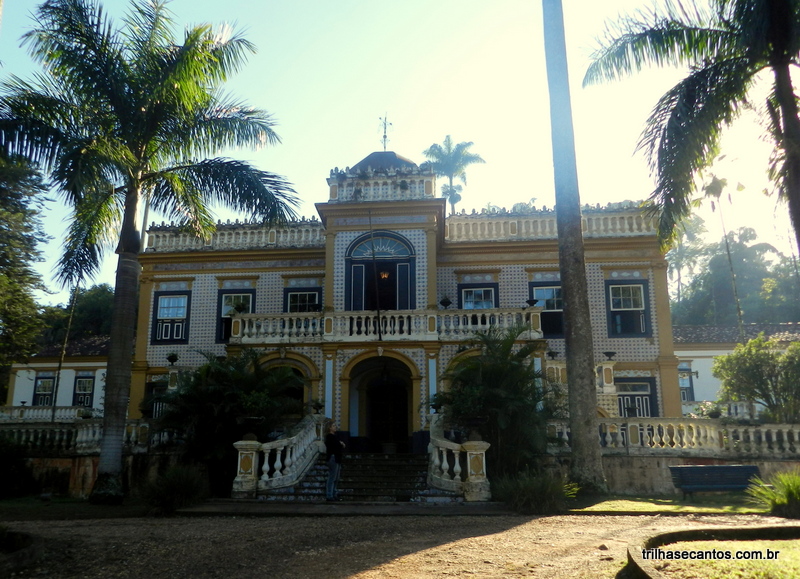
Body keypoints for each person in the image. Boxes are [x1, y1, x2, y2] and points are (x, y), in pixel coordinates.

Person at [325, 422, 345, 501]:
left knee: (336, 478)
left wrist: (340, 444)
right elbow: (337, 445)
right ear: (329, 428)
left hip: (337, 458)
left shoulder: (334, 437)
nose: (335, 427)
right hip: (333, 458)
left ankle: (334, 494)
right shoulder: (330, 437)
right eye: (333, 426)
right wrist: (341, 443)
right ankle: (329, 495)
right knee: (332, 478)